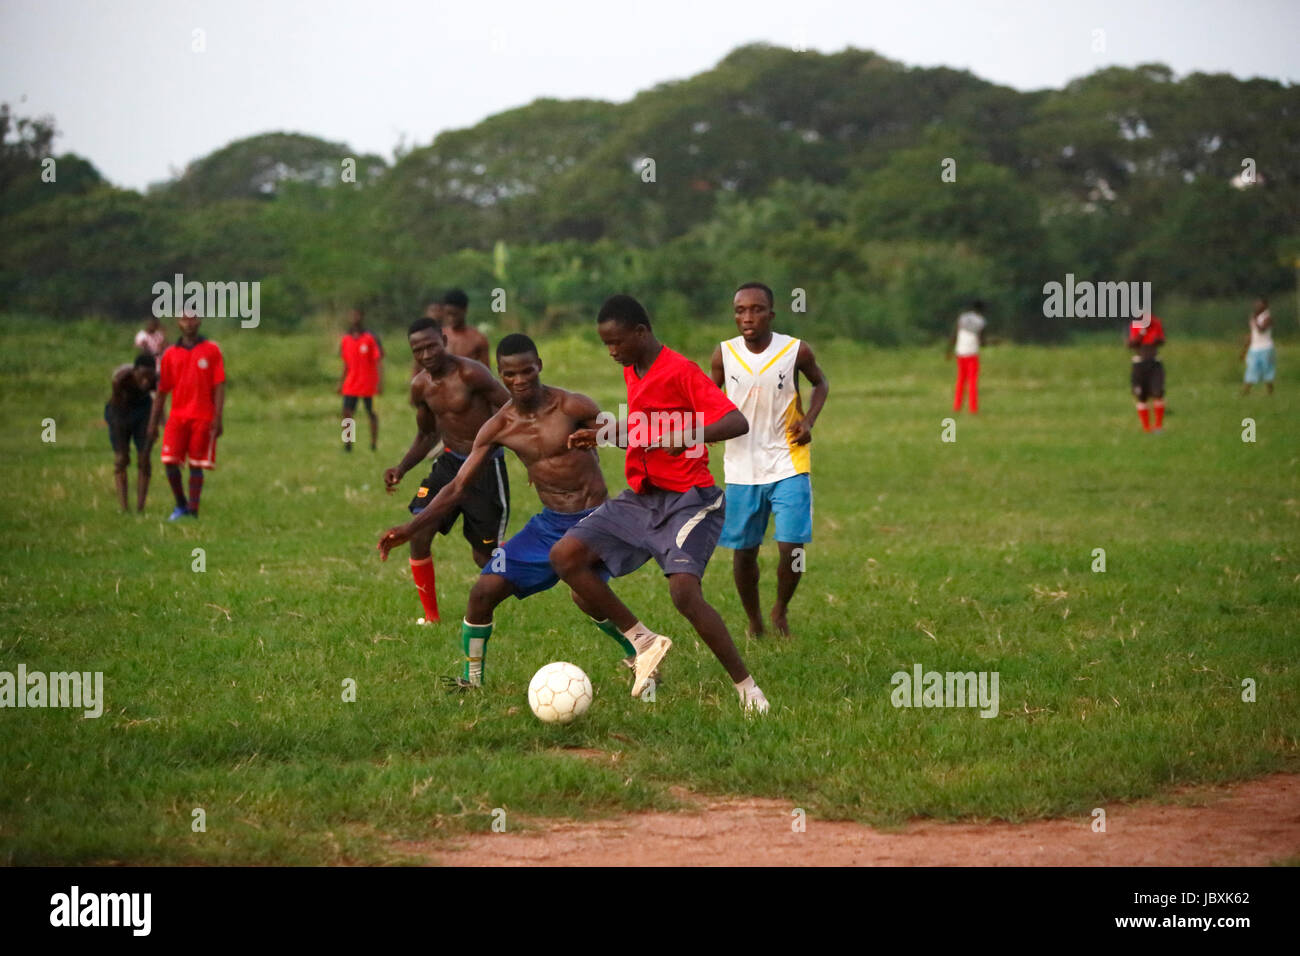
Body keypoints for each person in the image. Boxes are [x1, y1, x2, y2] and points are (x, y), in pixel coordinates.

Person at [377, 334, 649, 689]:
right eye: (510, 374)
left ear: (539, 367)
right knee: (483, 591)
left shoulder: (573, 406)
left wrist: (645, 439)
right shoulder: (499, 427)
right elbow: (457, 486)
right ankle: (471, 681)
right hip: (549, 524)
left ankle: (641, 652)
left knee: (584, 595)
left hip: (593, 520)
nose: (520, 381)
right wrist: (411, 528)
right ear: (501, 375)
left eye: (527, 372)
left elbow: (630, 436)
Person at [549, 294, 770, 714]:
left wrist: (678, 435)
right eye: (605, 345)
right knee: (566, 559)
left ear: (641, 332)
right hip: (642, 499)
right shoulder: (635, 368)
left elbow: (735, 422)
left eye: (617, 343)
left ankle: (748, 691)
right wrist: (603, 433)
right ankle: (643, 642)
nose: (612, 352)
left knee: (684, 593)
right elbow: (645, 425)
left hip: (690, 499)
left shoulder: (680, 370)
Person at [710, 282, 829, 637]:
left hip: (788, 461)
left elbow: (820, 383)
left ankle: (780, 610)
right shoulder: (723, 355)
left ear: (771, 314)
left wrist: (808, 422)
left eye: (756, 309)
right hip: (741, 467)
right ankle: (754, 620)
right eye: (740, 310)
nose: (747, 317)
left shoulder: (795, 350)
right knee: (744, 552)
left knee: (792, 546)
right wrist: (705, 432)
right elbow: (708, 398)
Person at [384, 317, 510, 624]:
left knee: (484, 555)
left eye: (431, 345)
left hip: (484, 467)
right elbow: (427, 435)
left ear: (443, 339)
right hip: (449, 463)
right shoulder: (420, 387)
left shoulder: (471, 373)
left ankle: (521, 573)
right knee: (419, 531)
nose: (426, 354)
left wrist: (531, 456)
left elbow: (511, 408)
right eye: (418, 350)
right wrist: (401, 468)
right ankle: (431, 617)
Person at [147, 311, 225, 520]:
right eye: (184, 319)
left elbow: (219, 385)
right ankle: (181, 504)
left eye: (193, 318)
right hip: (178, 416)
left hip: (203, 416)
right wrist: (153, 423)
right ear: (178, 323)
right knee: (169, 460)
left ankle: (193, 510)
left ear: (199, 321)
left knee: (196, 464)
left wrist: (218, 417)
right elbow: (162, 391)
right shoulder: (170, 354)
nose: (189, 323)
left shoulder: (212, 350)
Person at [105, 354, 158, 513]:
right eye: (142, 376)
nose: (146, 381)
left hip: (144, 411)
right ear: (135, 371)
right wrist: (121, 440)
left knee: (144, 459)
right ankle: (124, 507)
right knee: (121, 459)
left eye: (149, 377)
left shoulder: (156, 380)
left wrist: (154, 425)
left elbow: (158, 402)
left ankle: (140, 508)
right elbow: (115, 410)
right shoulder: (120, 379)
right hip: (120, 411)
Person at [338, 307, 384, 452]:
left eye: (357, 315)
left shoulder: (370, 338)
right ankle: (348, 443)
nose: (355, 318)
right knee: (347, 412)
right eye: (352, 315)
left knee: (370, 413)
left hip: (367, 384)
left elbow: (378, 361)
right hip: (351, 383)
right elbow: (346, 364)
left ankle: (373, 443)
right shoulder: (346, 339)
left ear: (362, 317)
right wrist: (341, 382)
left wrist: (380, 382)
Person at [1128, 311, 1166, 432]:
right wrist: (1142, 332)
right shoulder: (1135, 325)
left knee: (1158, 392)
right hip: (1140, 363)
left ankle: (1158, 426)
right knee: (1141, 396)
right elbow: (1131, 344)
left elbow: (1162, 340)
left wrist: (1156, 339)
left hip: (1154, 362)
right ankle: (1146, 428)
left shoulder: (1156, 323)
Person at [949, 300, 986, 413]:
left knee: (960, 380)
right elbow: (981, 340)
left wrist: (949, 349)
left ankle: (957, 406)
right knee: (972, 382)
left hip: (960, 352)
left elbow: (955, 333)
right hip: (972, 353)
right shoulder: (981, 321)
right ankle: (973, 408)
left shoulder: (963, 318)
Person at [440, 289, 491, 367]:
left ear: (465, 310)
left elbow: (487, 372)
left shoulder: (478, 339)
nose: (451, 318)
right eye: (448, 314)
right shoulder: (438, 336)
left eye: (455, 314)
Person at [1241, 297, 1275, 396]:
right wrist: (1245, 348)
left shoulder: (1267, 317)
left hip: (1266, 348)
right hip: (1254, 348)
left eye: (1260, 304)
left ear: (1265, 306)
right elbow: (1254, 334)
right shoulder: (1255, 317)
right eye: (1256, 304)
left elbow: (1261, 330)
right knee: (1251, 369)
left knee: (1267, 370)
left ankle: (1270, 392)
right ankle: (1245, 392)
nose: (1257, 306)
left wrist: (1255, 320)